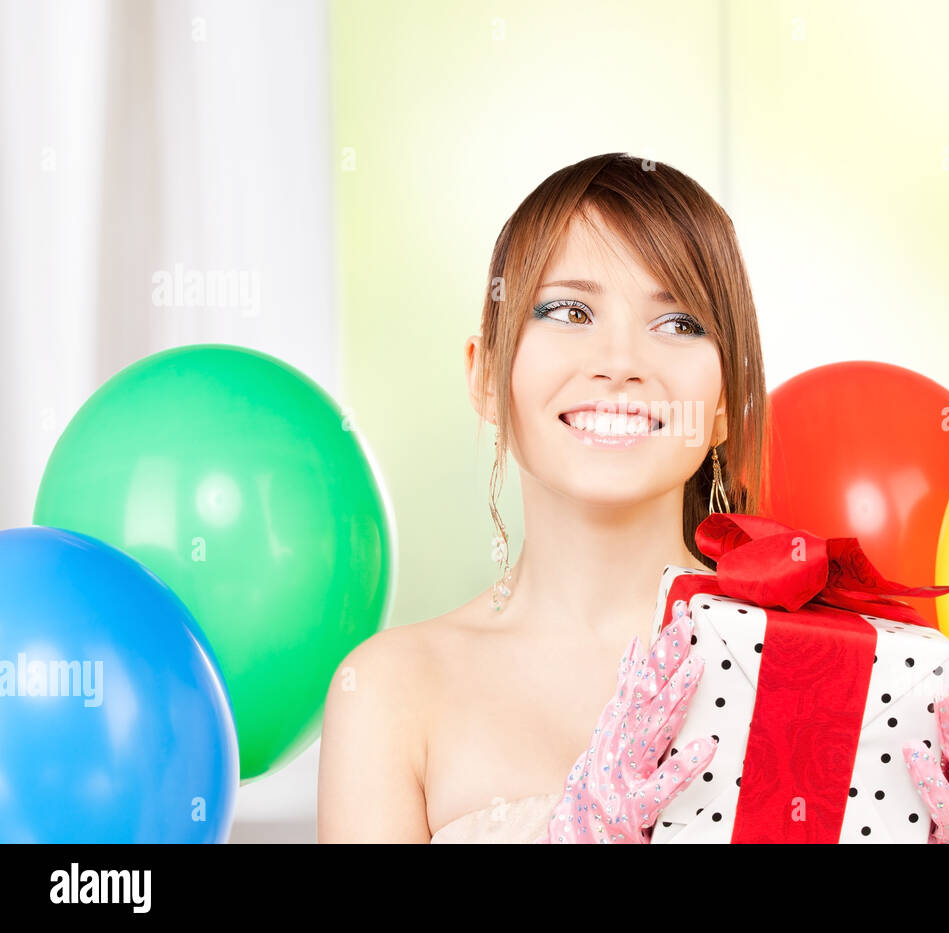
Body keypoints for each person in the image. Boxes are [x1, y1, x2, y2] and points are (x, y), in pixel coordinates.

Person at [317, 152, 768, 843]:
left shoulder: (797, 665)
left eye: (678, 322)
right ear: (488, 375)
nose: (619, 363)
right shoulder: (388, 691)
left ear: (724, 404)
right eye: (569, 310)